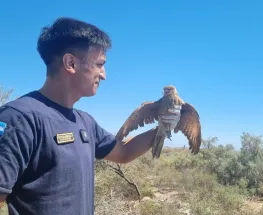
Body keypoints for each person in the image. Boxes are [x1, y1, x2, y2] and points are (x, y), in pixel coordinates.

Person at [0, 17, 180, 215]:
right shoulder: (19, 119)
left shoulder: (84, 121)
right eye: (99, 64)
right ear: (71, 63)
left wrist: (162, 127)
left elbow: (124, 152)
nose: (103, 75)